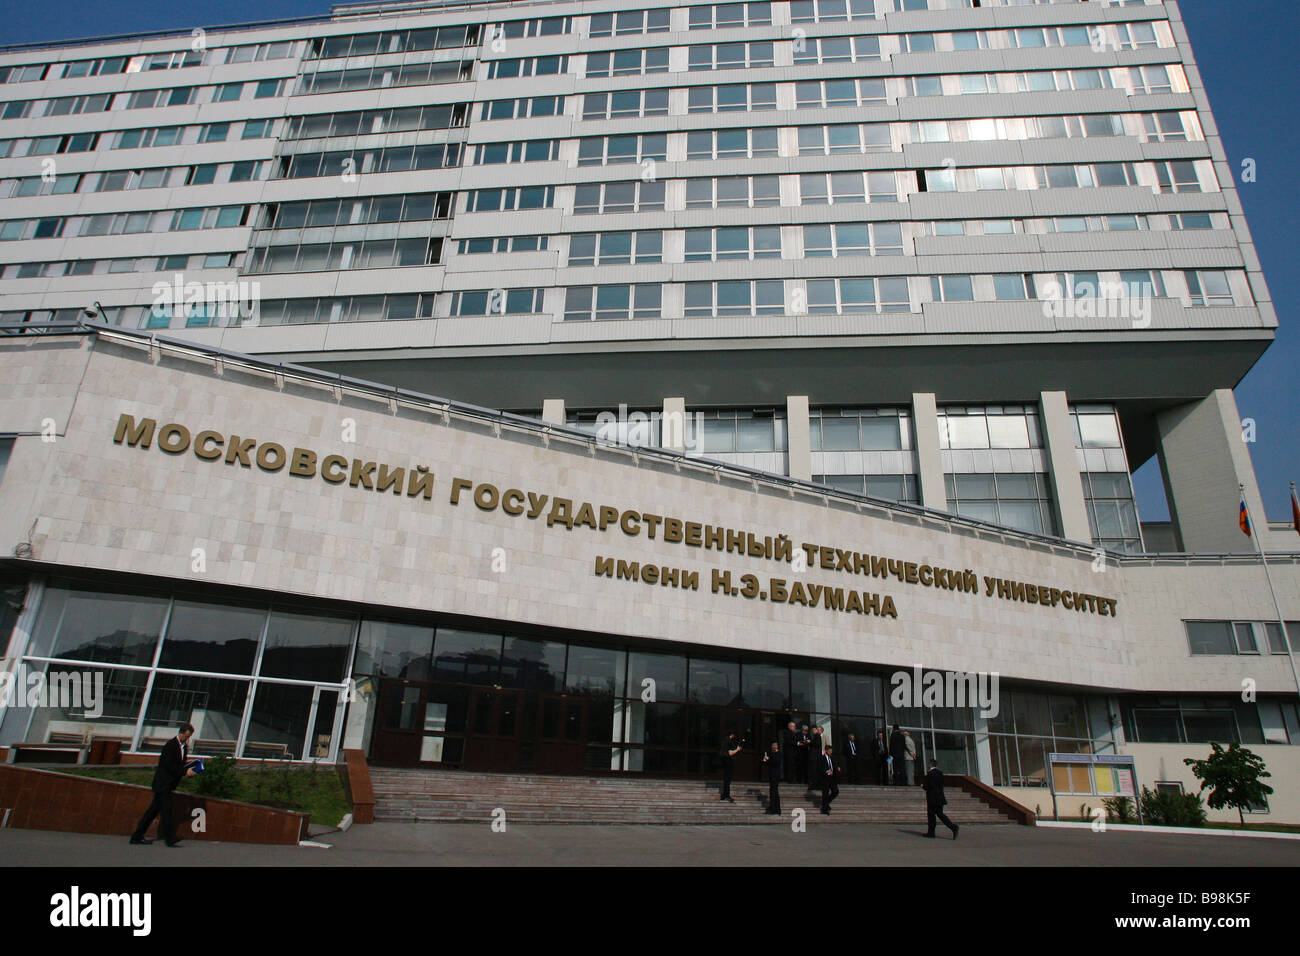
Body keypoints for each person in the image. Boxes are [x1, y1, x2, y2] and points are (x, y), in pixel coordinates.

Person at [130, 723, 197, 847]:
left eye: (189, 737)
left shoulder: (183, 747)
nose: (187, 739)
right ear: (181, 733)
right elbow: (168, 765)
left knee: (152, 812)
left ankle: (137, 836)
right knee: (167, 811)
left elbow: (178, 762)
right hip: (163, 784)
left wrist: (188, 764)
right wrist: (184, 771)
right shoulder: (170, 745)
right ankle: (169, 838)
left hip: (169, 784)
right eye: (186, 736)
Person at [923, 759, 959, 839]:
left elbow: (930, 785)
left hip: (932, 798)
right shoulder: (940, 773)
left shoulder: (930, 773)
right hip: (940, 797)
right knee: (940, 814)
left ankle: (931, 832)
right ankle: (953, 827)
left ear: (930, 764)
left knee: (931, 815)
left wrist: (924, 787)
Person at [818, 744, 840, 814]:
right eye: (829, 751)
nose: (830, 752)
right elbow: (819, 768)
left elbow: (834, 766)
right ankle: (824, 809)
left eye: (831, 750)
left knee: (835, 791)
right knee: (825, 793)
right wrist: (826, 771)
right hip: (825, 778)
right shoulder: (822, 758)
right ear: (826, 751)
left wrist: (837, 768)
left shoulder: (833, 758)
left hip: (832, 778)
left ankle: (826, 803)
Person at [762, 742, 782, 815]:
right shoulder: (771, 753)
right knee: (772, 791)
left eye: (775, 746)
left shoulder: (778, 754)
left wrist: (769, 759)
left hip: (776, 774)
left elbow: (776, 762)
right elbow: (767, 763)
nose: (773, 747)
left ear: (777, 747)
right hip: (771, 774)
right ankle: (772, 807)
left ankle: (775, 809)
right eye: (772, 745)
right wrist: (765, 759)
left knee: (774, 791)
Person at [720, 732, 740, 802]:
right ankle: (726, 795)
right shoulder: (729, 741)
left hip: (725, 761)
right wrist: (737, 749)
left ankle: (724, 795)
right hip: (728, 761)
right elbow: (730, 753)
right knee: (728, 779)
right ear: (732, 735)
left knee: (726, 778)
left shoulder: (724, 740)